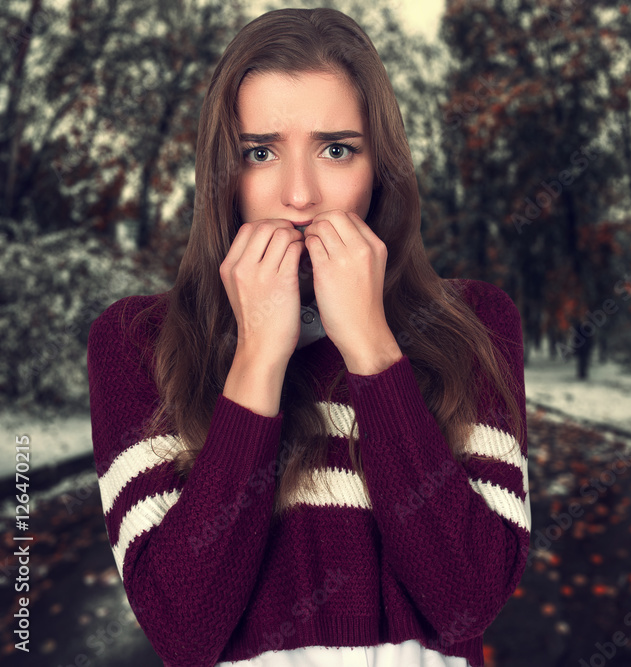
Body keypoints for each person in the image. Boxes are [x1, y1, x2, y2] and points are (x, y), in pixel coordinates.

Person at [87, 8, 530, 667]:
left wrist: (372, 349)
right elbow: (182, 631)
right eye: (260, 152)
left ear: (380, 167)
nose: (299, 195)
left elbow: (469, 601)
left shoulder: (475, 323)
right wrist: (258, 359)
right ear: (222, 172)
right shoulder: (137, 341)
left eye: (336, 149)